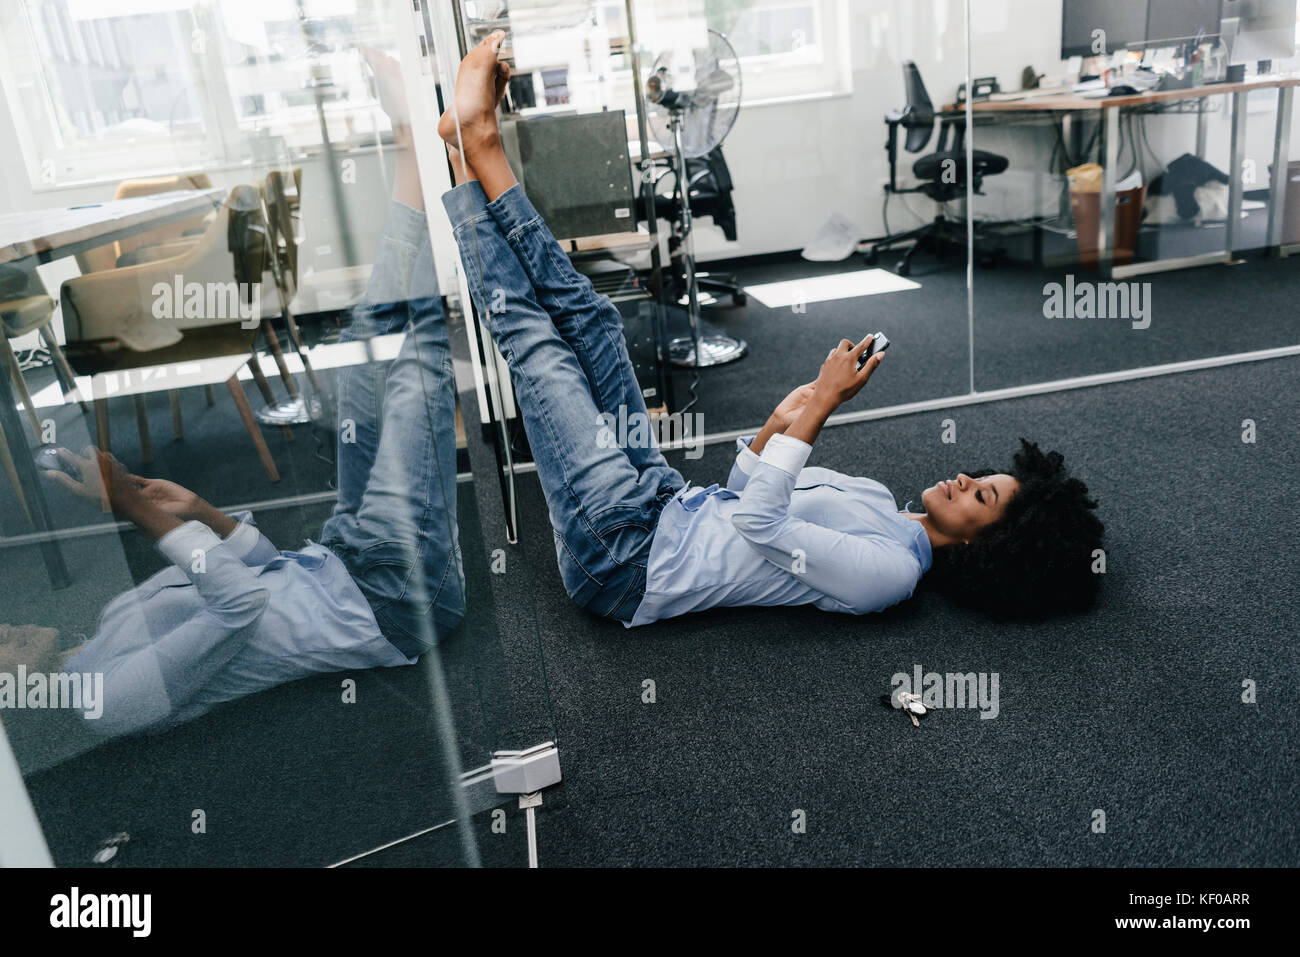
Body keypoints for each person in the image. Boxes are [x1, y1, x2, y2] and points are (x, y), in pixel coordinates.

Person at [437, 31, 1104, 628]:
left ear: (984, 544)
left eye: (983, 494)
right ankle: (472, 152)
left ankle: (478, 149)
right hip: (667, 501)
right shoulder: (877, 500)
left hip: (626, 560)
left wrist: (822, 408)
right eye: (982, 474)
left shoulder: (891, 574)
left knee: (544, 353)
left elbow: (759, 524)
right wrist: (785, 416)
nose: (964, 477)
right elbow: (739, 495)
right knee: (597, 325)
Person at [31, 68, 464, 737]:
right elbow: (238, 605)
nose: (4, 626)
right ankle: (463, 163)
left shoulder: (107, 625)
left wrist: (199, 512)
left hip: (339, 555)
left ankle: (419, 148)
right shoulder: (103, 701)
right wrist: (132, 505)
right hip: (393, 602)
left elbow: (261, 567)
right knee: (414, 360)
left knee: (364, 345)